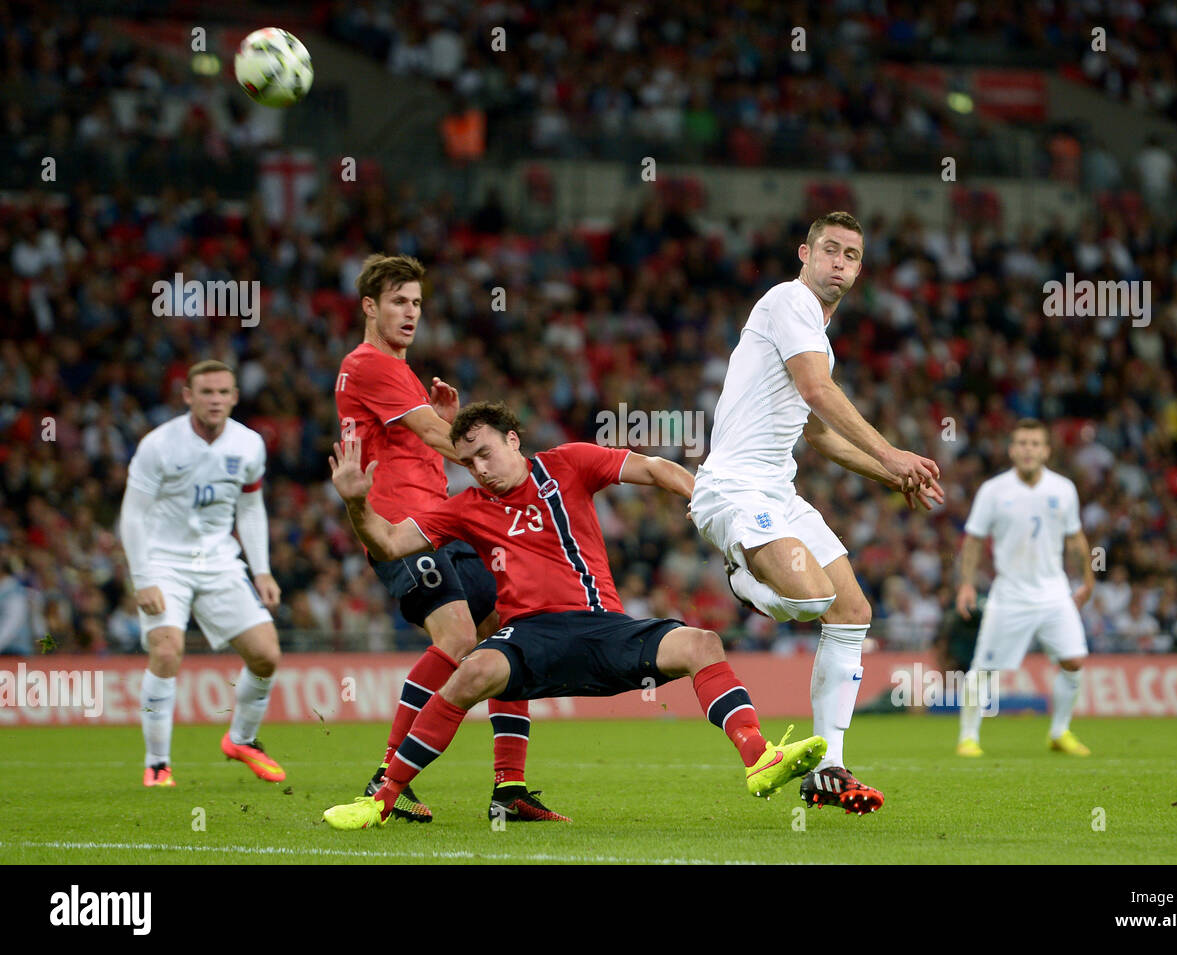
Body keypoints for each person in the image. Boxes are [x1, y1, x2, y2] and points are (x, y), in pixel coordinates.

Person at [321, 402, 826, 829]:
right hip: (531, 636)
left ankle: (758, 757)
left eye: (485, 453)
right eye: (469, 462)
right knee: (472, 668)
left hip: (602, 626)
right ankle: (383, 799)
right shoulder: (466, 506)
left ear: (513, 441)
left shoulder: (568, 463)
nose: (479, 468)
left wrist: (709, 504)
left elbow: (652, 468)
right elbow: (388, 542)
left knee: (703, 644)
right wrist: (355, 505)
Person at [690, 211, 942, 815]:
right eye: (830, 250)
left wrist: (891, 475)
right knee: (808, 600)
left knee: (852, 609)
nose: (839, 263)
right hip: (734, 490)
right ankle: (740, 575)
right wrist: (891, 451)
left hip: (779, 492)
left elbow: (820, 436)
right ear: (804, 253)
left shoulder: (816, 334)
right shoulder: (788, 301)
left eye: (852, 256)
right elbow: (818, 394)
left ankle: (827, 767)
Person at [335, 253, 564, 823]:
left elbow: (422, 436)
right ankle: (387, 776)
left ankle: (509, 788)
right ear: (370, 306)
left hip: (443, 521)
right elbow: (437, 438)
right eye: (397, 302)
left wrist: (444, 423)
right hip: (402, 528)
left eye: (416, 303)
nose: (410, 313)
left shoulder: (396, 372)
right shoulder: (370, 363)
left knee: (509, 634)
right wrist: (512, 465)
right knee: (460, 635)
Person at [118, 360, 285, 787]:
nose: (215, 400)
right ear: (188, 396)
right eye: (206, 392)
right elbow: (132, 516)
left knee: (266, 655)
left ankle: (242, 740)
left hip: (219, 561)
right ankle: (158, 763)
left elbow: (249, 507)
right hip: (163, 561)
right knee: (167, 650)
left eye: (223, 392)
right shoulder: (159, 445)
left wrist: (262, 570)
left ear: (234, 396)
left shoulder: (248, 444)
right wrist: (142, 578)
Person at [955, 419, 1095, 757]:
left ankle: (1059, 732)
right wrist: (966, 585)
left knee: (1074, 661)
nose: (1028, 449)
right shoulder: (993, 490)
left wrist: (1088, 579)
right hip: (1009, 595)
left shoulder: (1063, 489)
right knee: (984, 668)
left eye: (1035, 443)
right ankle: (968, 738)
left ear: (1046, 451)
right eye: (1022, 443)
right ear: (1012, 450)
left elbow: (1075, 537)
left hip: (1053, 593)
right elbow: (973, 540)